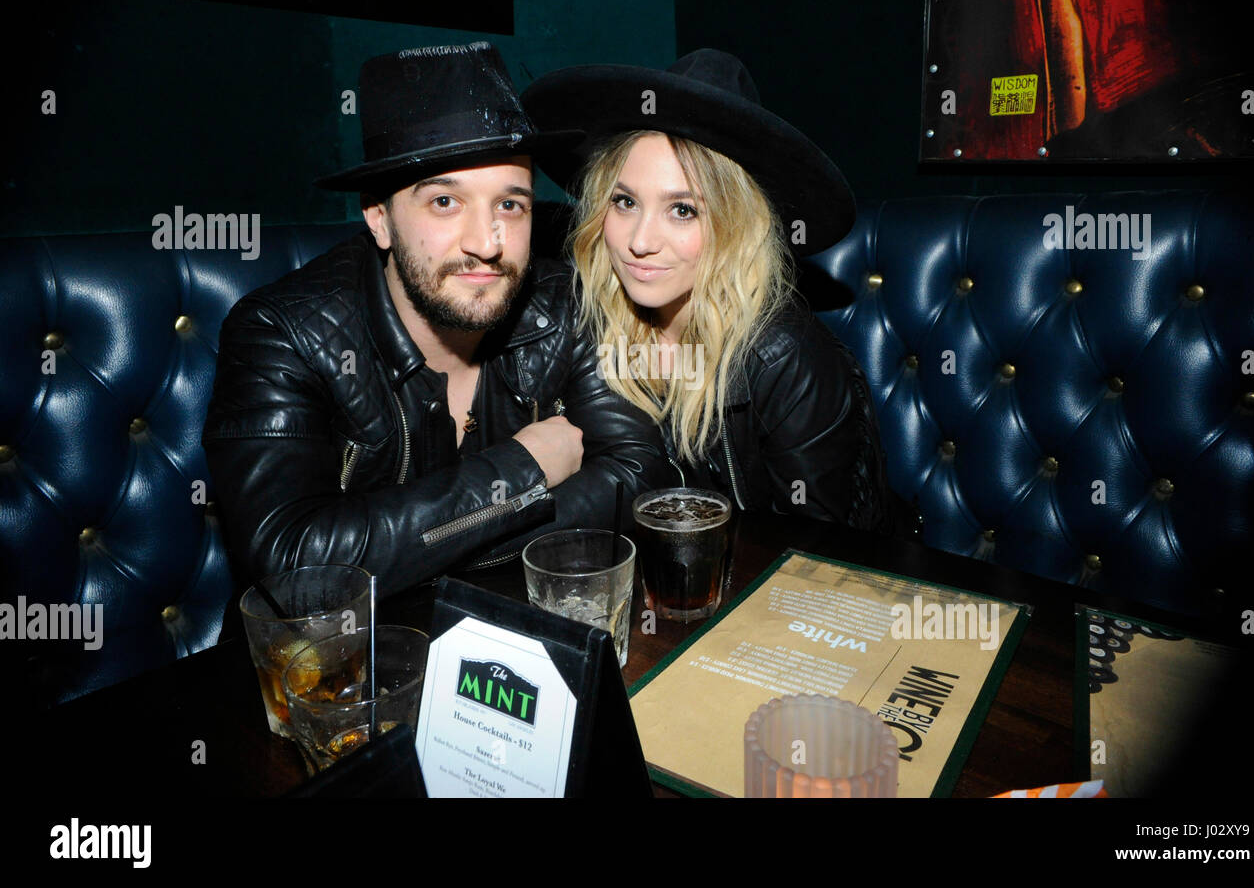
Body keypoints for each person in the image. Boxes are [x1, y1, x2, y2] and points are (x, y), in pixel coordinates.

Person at [202, 42, 674, 595]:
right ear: (379, 218)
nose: (485, 243)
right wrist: (522, 470)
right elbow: (295, 571)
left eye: (509, 204)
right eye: (445, 202)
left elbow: (637, 475)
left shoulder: (566, 303)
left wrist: (423, 552)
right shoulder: (281, 334)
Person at [522, 49, 909, 533]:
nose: (640, 242)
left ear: (737, 227)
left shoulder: (784, 358)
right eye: (625, 202)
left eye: (682, 210)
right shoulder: (588, 319)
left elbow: (816, 557)